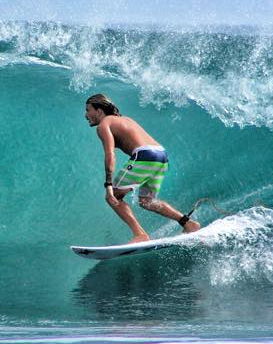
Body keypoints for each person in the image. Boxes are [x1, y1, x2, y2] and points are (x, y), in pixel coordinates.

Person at [84, 93, 201, 243]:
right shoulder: (125, 119)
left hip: (145, 155)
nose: (86, 115)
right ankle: (188, 223)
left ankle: (140, 234)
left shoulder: (104, 124)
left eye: (88, 110)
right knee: (146, 201)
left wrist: (108, 184)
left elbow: (110, 154)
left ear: (99, 110)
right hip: (161, 155)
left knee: (114, 196)